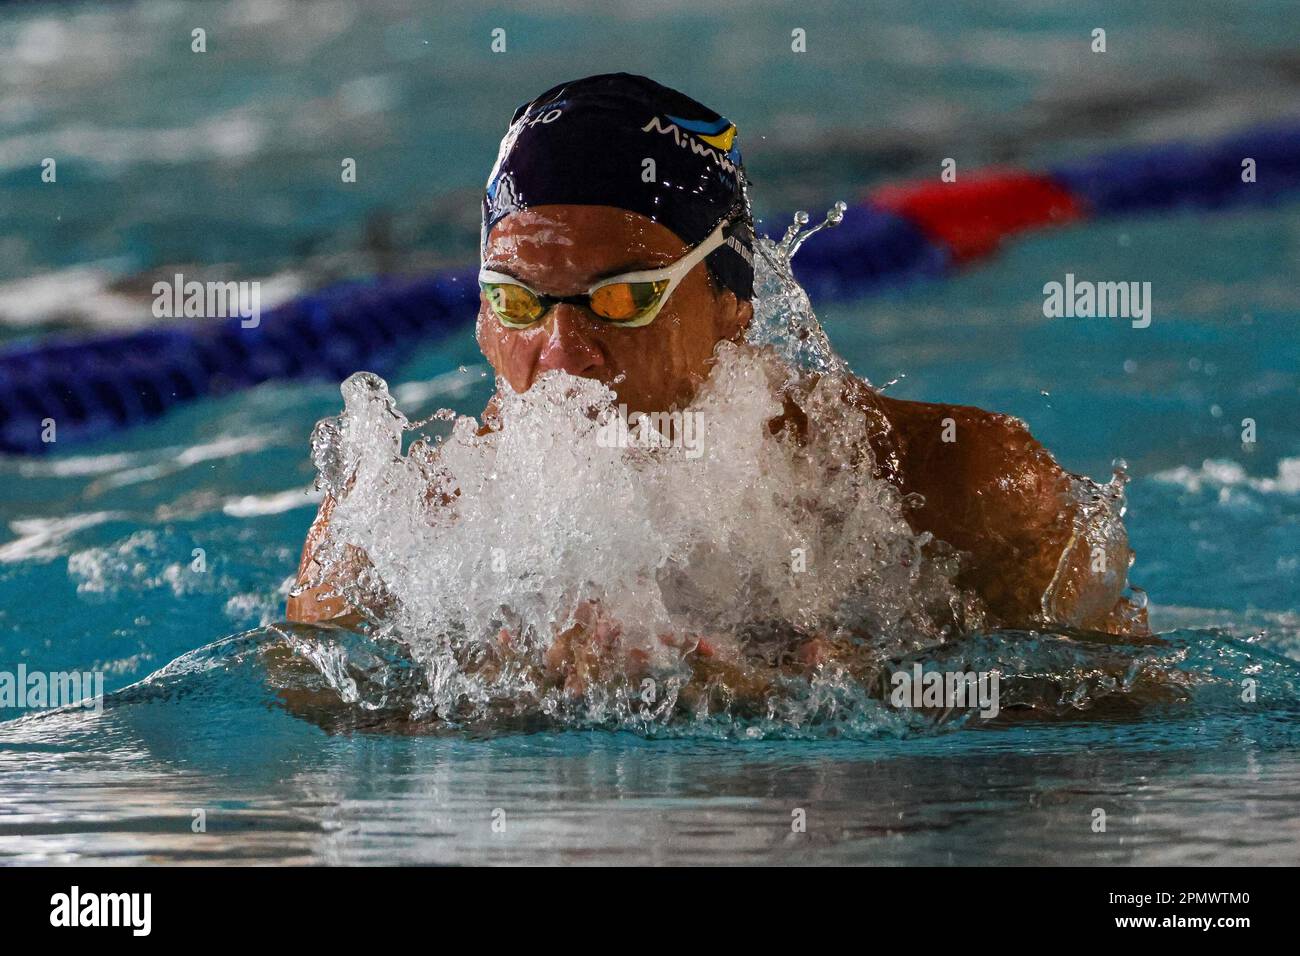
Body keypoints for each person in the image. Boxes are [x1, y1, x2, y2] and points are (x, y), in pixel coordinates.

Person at [287, 73, 1148, 689]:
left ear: (734, 302)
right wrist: (489, 698)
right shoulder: (395, 530)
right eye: (516, 300)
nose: (562, 348)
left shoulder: (962, 487)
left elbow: (1131, 726)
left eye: (622, 297)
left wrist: (840, 703)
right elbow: (307, 724)